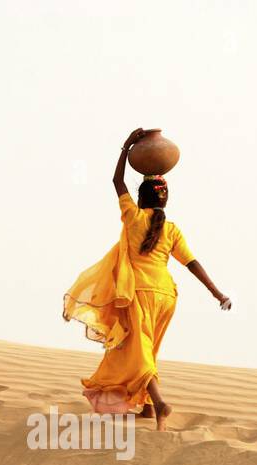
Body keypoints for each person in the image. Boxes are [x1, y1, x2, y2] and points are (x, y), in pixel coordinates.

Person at [62, 128, 230, 430]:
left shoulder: (133, 217)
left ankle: (161, 403)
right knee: (148, 350)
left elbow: (116, 181)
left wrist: (126, 148)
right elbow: (192, 263)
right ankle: (148, 408)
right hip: (166, 295)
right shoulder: (172, 229)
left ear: (140, 198)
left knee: (140, 352)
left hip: (137, 292)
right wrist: (217, 293)